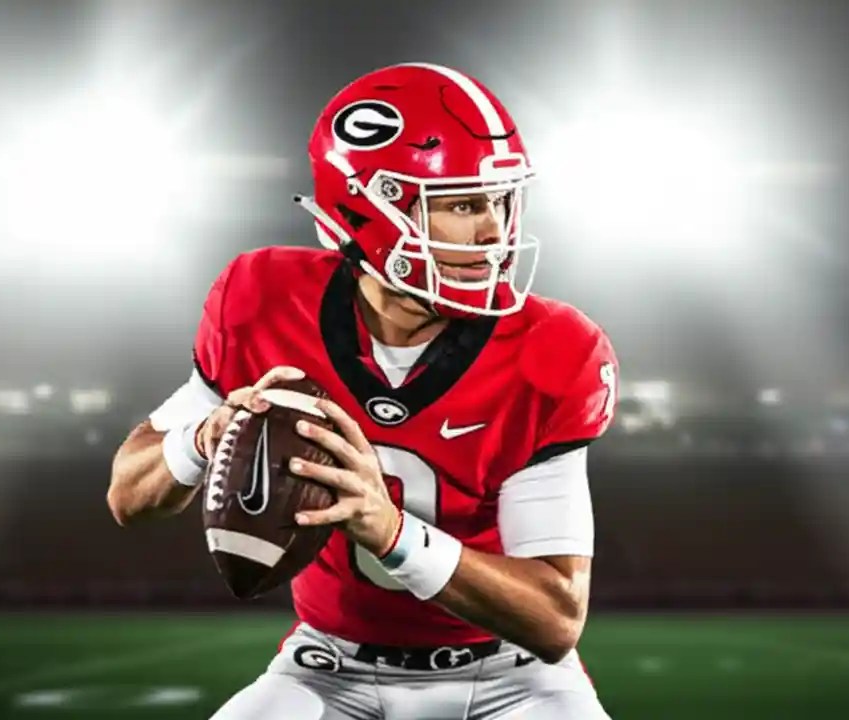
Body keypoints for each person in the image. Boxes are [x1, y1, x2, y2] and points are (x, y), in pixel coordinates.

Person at [107, 62, 618, 719]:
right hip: (330, 668)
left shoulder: (551, 348)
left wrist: (392, 531)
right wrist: (205, 437)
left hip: (512, 678)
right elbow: (129, 495)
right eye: (463, 203)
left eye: (500, 200)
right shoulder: (262, 299)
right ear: (368, 208)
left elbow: (554, 620)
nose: (496, 231)